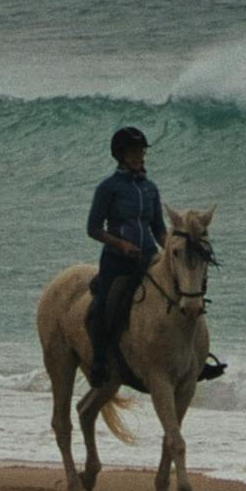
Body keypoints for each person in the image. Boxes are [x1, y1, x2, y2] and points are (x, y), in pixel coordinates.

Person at [84, 125, 166, 392]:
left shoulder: (150, 189)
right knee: (104, 305)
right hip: (117, 260)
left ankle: (190, 358)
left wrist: (172, 251)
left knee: (179, 297)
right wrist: (121, 245)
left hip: (148, 258)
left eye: (141, 152)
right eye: (134, 152)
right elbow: (93, 228)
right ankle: (100, 361)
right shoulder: (108, 188)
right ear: (120, 156)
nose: (140, 157)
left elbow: (159, 229)